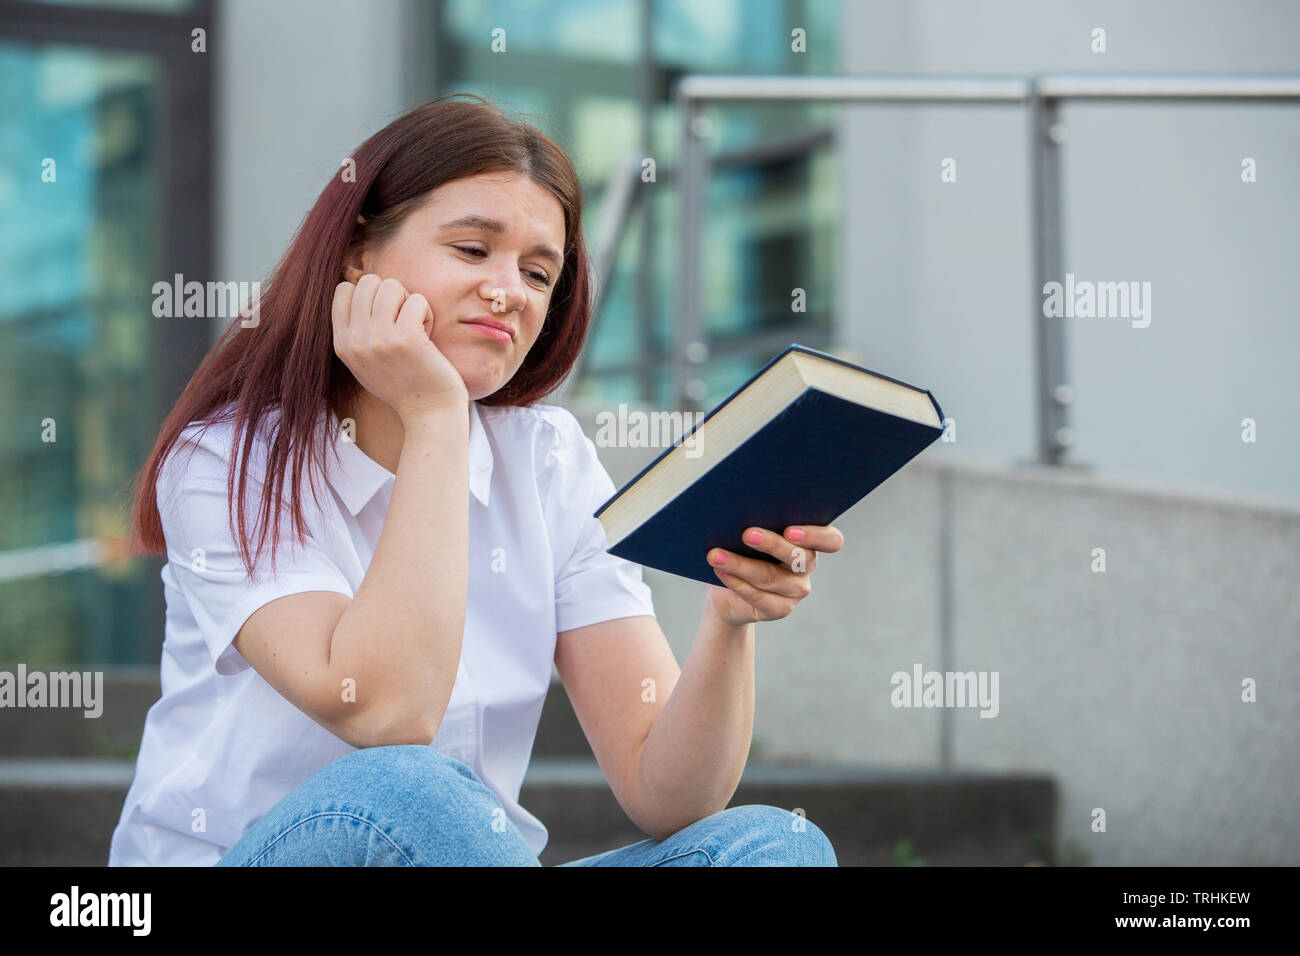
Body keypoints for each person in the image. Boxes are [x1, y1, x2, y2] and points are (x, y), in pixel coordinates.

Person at [109, 94, 840, 867]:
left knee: (770, 846)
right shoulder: (227, 460)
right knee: (407, 793)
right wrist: (433, 417)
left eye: (536, 271)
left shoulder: (549, 461)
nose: (509, 292)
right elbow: (389, 713)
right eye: (471, 251)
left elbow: (668, 796)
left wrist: (728, 623)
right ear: (359, 256)